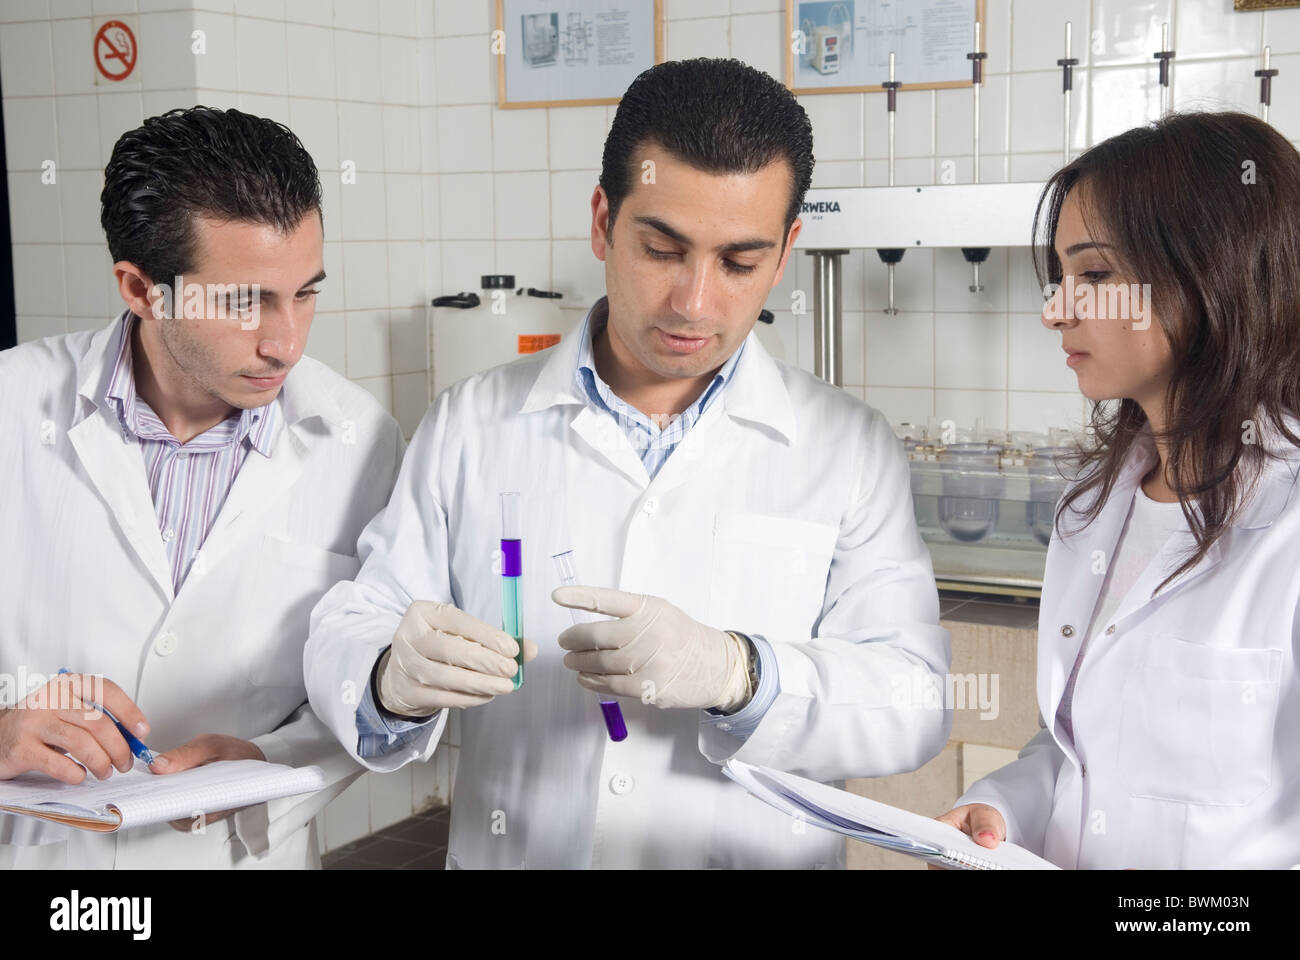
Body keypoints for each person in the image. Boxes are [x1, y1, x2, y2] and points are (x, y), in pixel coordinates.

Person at [305, 57, 950, 869]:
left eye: (739, 263)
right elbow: (357, 616)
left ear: (786, 253)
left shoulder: (847, 448)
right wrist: (385, 678)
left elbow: (914, 699)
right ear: (604, 219)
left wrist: (739, 671)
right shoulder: (473, 422)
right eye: (662, 248)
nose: (694, 301)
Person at [0, 107, 404, 868]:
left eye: (305, 293)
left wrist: (267, 753)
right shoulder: (11, 409)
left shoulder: (358, 440)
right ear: (141, 288)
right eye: (244, 301)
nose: (286, 342)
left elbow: (369, 686)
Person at [938, 111, 1300, 869]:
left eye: (1095, 275)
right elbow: (1085, 746)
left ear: (1213, 272)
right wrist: (1004, 808)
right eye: (1062, 279)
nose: (1057, 310)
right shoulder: (1093, 508)